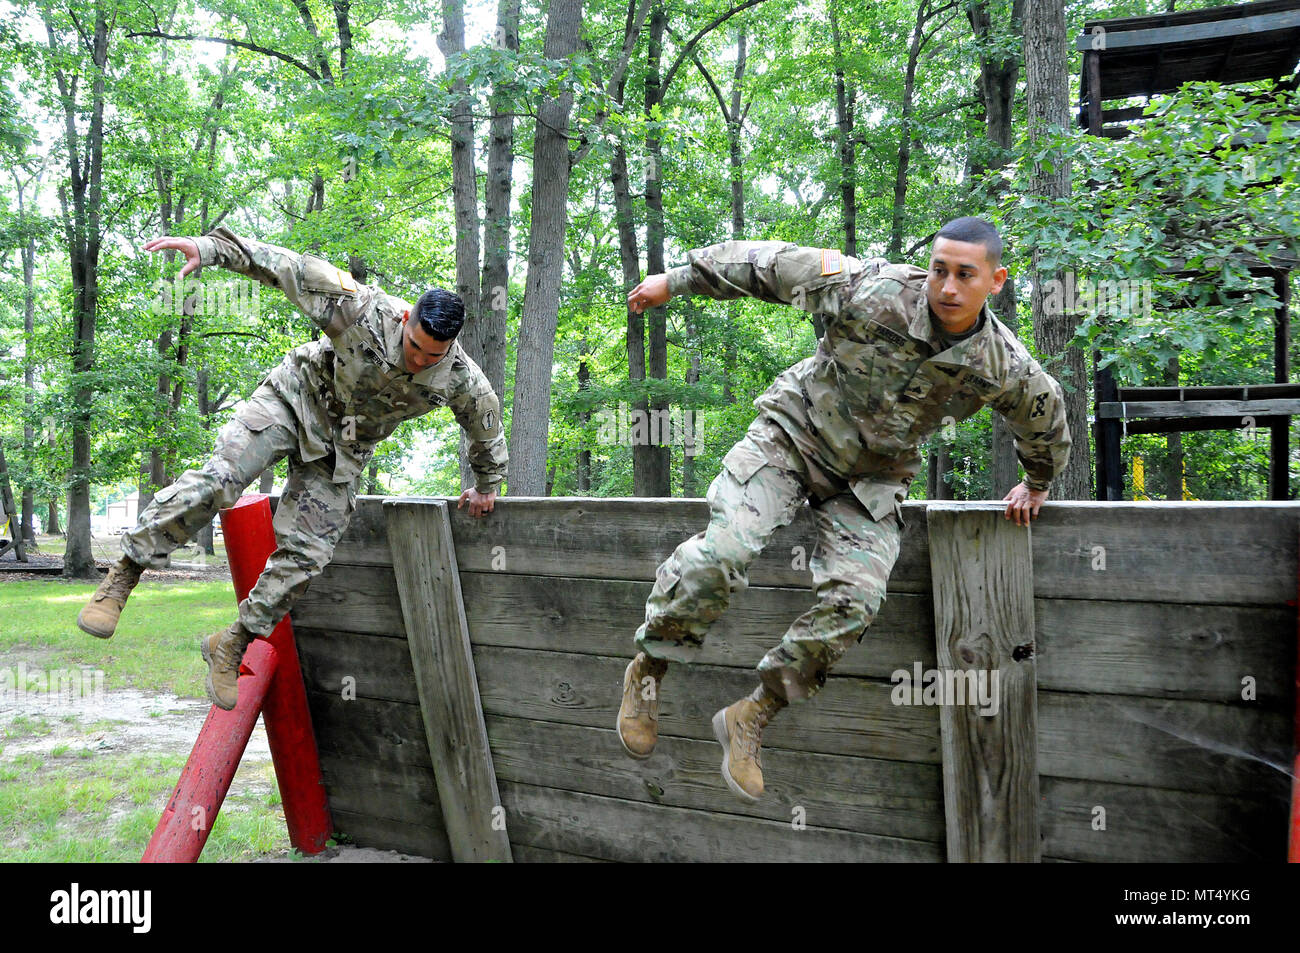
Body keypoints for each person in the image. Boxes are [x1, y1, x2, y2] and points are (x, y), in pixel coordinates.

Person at [615, 217, 1070, 802]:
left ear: (996, 281)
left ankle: (752, 714)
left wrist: (1037, 483)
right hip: (793, 436)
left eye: (965, 275)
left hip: (872, 478)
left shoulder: (1001, 363)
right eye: (939, 270)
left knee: (855, 602)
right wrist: (675, 281)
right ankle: (649, 669)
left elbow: (1043, 414)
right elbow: (772, 264)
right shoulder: (872, 288)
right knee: (724, 551)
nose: (948, 288)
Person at [77, 228, 508, 710]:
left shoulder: (461, 377)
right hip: (293, 399)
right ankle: (124, 575)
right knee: (222, 479)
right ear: (405, 319)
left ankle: (233, 642)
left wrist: (487, 484)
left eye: (433, 355)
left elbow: (486, 428)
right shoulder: (359, 306)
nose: (419, 360)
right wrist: (211, 250)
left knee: (308, 554)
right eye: (414, 347)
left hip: (342, 450)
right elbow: (286, 265)